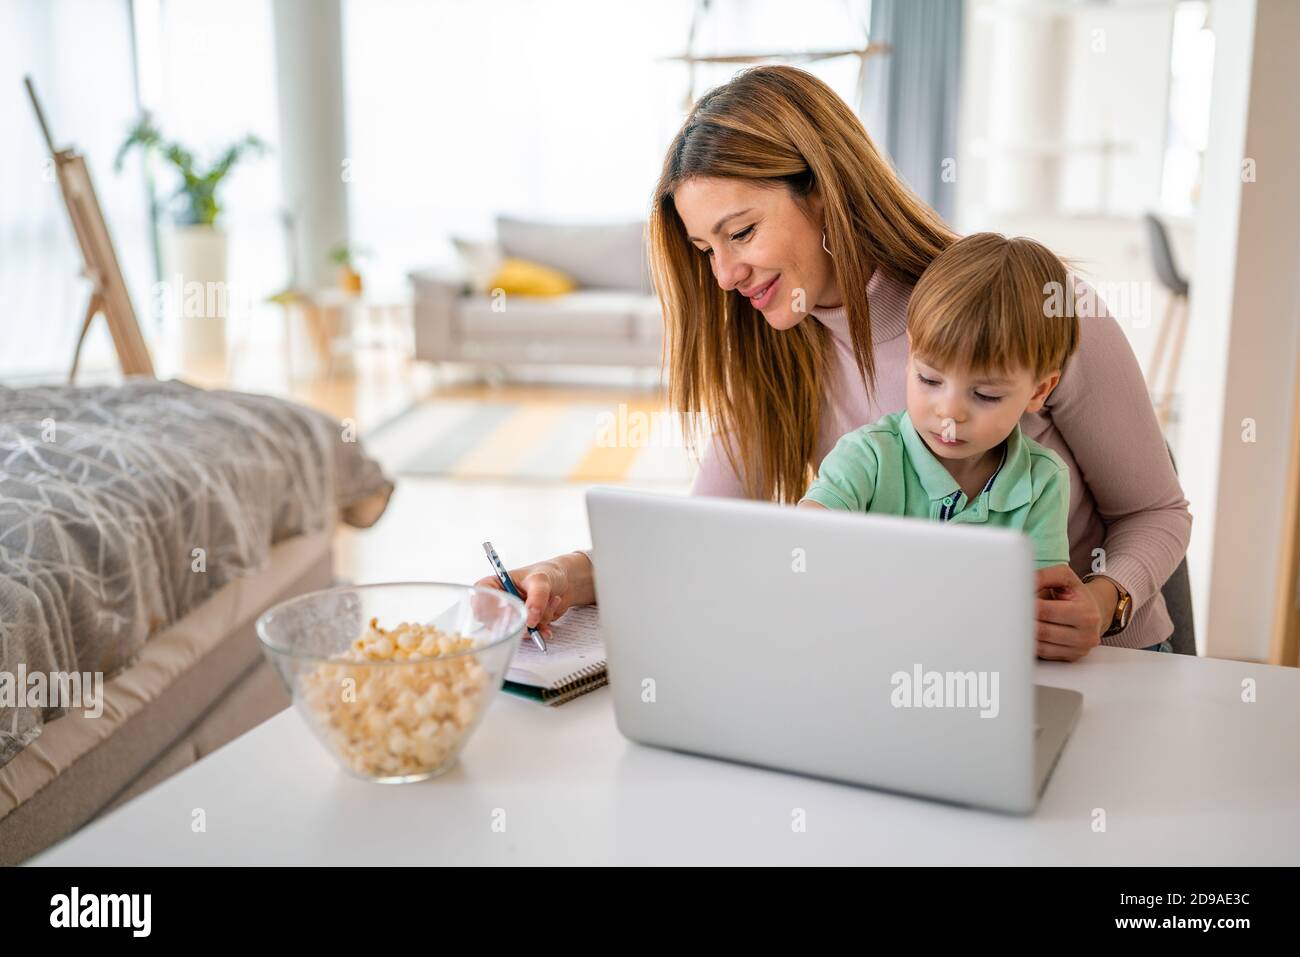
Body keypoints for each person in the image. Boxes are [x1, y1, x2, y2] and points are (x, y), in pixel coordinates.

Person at [476, 65, 1191, 661]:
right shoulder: (773, 353)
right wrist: (575, 572)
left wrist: (1106, 601)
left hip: (1108, 671)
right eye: (705, 250)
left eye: (741, 232)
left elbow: (1155, 510)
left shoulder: (1022, 305)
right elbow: (707, 539)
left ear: (824, 191)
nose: (724, 274)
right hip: (930, 674)